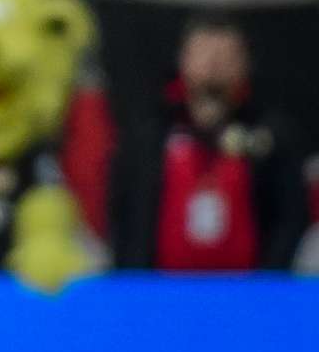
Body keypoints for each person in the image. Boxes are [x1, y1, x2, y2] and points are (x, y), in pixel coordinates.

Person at [111, 14, 309, 271]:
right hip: (160, 292)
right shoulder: (150, 133)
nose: (214, 65)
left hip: (250, 294)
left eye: (226, 56)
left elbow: (290, 217)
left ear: (245, 64)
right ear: (183, 59)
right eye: (204, 53)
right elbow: (123, 213)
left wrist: (271, 279)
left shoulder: (272, 137)